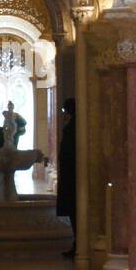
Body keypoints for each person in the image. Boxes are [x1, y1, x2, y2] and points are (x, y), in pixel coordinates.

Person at [56, 97, 76, 257]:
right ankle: (77, 243)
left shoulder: (72, 128)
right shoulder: (72, 127)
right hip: (71, 176)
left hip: (72, 177)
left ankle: (77, 243)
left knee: (74, 210)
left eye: (64, 110)